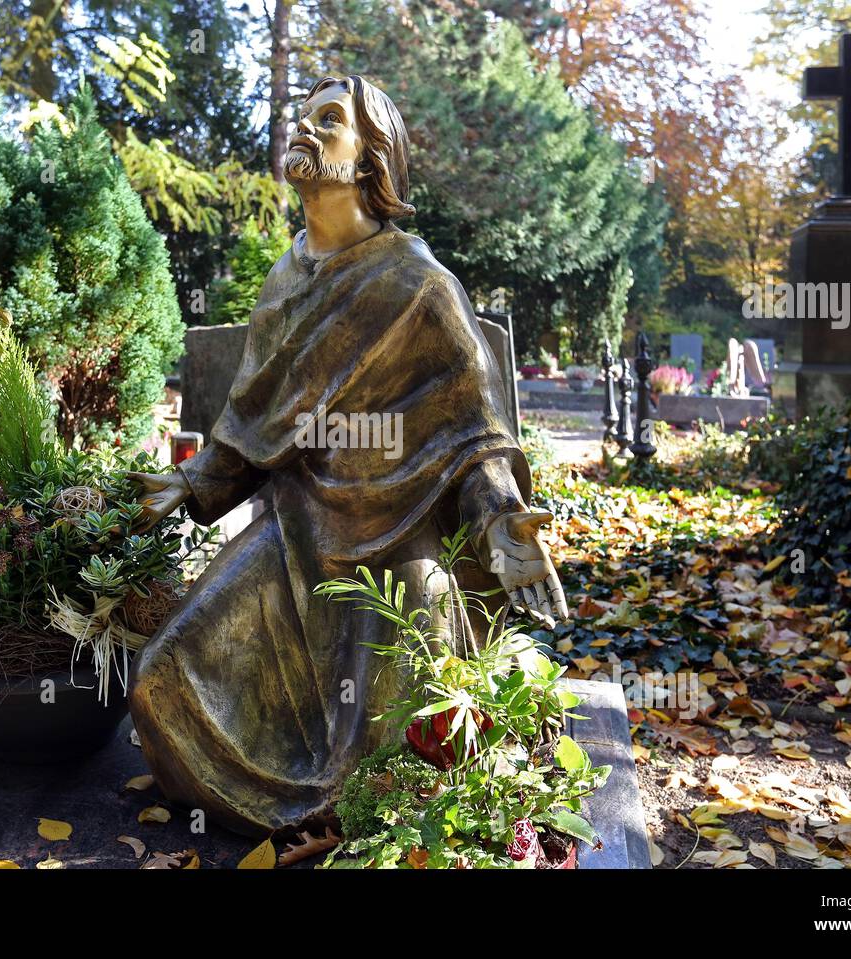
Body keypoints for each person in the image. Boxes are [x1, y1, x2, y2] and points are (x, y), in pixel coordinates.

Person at [126, 74, 569, 836]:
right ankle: (276, 818)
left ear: (372, 158)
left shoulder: (420, 287)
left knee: (391, 756)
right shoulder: (284, 279)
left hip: (399, 548)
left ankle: (360, 825)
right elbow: (254, 421)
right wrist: (192, 485)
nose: (306, 130)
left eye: (328, 120)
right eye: (301, 118)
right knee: (163, 679)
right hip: (296, 533)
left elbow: (477, 436)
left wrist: (501, 524)